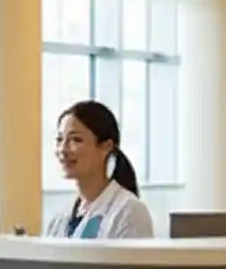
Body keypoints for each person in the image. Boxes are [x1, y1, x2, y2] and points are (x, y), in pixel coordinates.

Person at [44, 100, 154, 239]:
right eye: (60, 140)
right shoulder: (60, 218)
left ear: (106, 147)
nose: (63, 149)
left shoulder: (129, 212)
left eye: (76, 139)